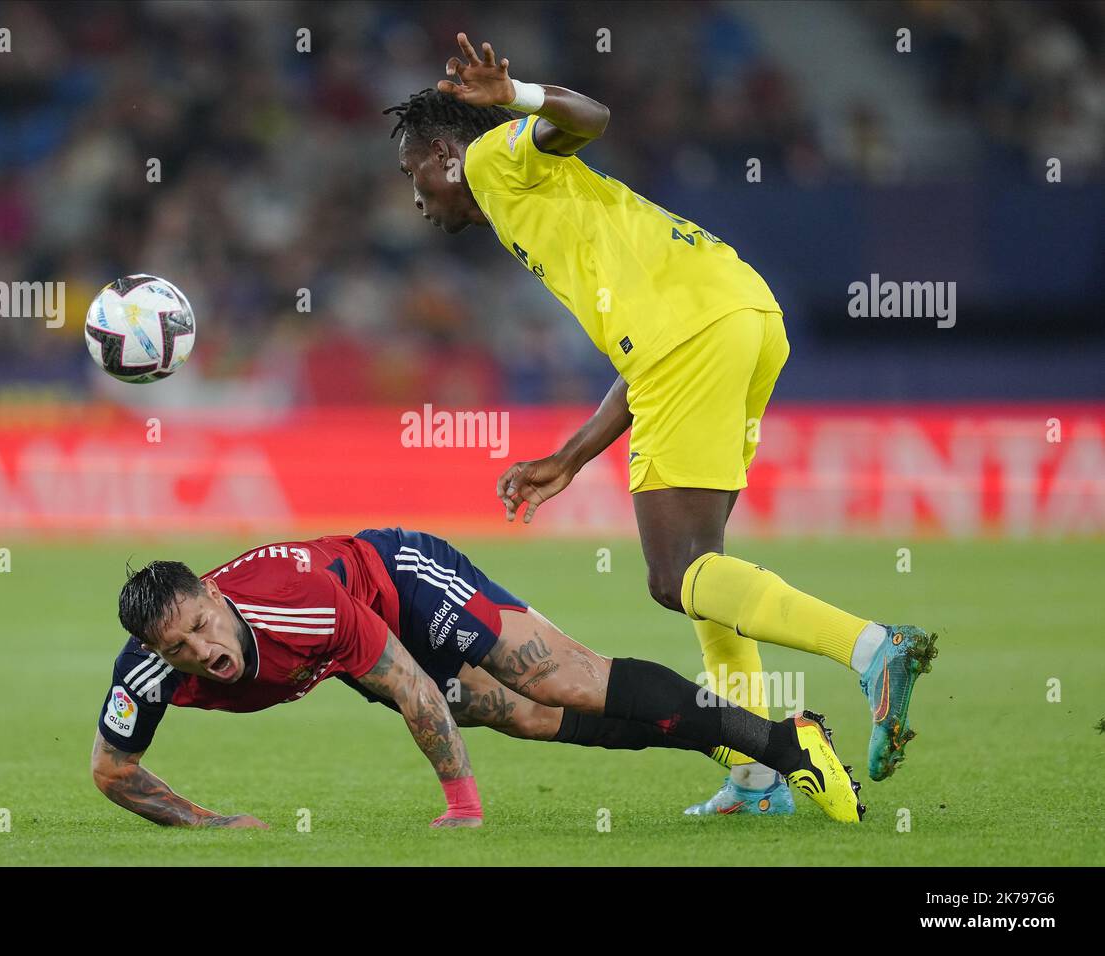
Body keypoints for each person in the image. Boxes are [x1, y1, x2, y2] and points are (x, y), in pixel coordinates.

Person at [383, 33, 937, 816]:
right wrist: (572, 456)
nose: (415, 198)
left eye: (412, 175)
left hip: (694, 332)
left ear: (444, 152)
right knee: (704, 570)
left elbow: (588, 116)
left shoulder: (492, 160)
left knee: (673, 575)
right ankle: (756, 778)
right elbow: (646, 355)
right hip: (740, 312)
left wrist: (515, 97)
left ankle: (872, 648)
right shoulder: (532, 204)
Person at [90, 528, 864, 829]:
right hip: (358, 653)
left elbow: (412, 691)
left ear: (216, 597)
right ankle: (737, 752)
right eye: (181, 648)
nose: (203, 650)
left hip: (400, 581)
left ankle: (790, 742)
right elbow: (110, 768)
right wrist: (209, 824)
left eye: (202, 625)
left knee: (564, 679)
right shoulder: (151, 673)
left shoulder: (300, 602)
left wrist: (461, 806)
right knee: (529, 719)